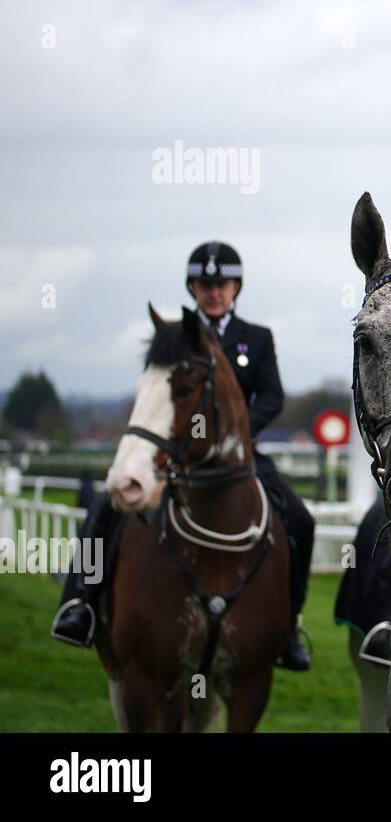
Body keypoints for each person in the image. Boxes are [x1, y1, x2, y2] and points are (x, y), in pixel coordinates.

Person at [52, 241, 316, 671]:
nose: (214, 291)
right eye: (204, 284)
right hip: (178, 454)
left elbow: (271, 395)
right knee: (106, 506)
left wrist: (236, 432)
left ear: (236, 287)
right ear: (193, 287)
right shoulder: (173, 335)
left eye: (222, 283)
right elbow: (158, 395)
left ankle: (288, 628)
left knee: (301, 520)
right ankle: (79, 601)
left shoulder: (257, 338)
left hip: (238, 455)